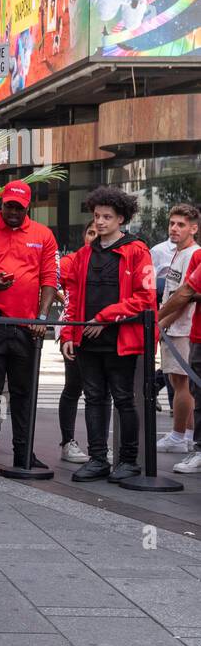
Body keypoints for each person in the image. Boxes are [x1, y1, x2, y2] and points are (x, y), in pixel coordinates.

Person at [59, 187, 154, 482]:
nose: (100, 222)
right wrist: (68, 335)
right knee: (94, 398)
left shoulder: (137, 250)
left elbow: (146, 298)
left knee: (124, 398)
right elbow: (72, 297)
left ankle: (128, 461)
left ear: (121, 218)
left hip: (121, 340)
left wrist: (104, 317)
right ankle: (98, 458)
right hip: (87, 341)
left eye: (107, 217)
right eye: (97, 216)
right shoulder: (84, 254)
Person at [0, 182, 59, 472]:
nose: (12, 212)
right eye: (9, 206)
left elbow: (49, 279)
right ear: (1, 203)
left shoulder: (43, 235)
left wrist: (41, 320)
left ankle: (24, 451)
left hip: (27, 327)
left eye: (19, 208)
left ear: (27, 207)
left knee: (24, 392)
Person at [156, 204, 199, 454]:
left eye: (181, 224)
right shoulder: (179, 252)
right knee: (177, 381)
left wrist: (160, 322)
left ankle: (179, 436)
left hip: (181, 328)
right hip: (174, 327)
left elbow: (185, 295)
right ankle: (187, 435)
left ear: (194, 228)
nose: (174, 228)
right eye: (172, 223)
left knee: (181, 384)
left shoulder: (193, 253)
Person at [58, 221, 98, 463]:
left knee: (101, 393)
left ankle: (99, 446)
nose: (94, 235)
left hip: (102, 335)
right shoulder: (71, 262)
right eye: (90, 231)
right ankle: (67, 441)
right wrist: (67, 334)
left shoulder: (114, 259)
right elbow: (65, 297)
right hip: (74, 333)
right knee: (73, 387)